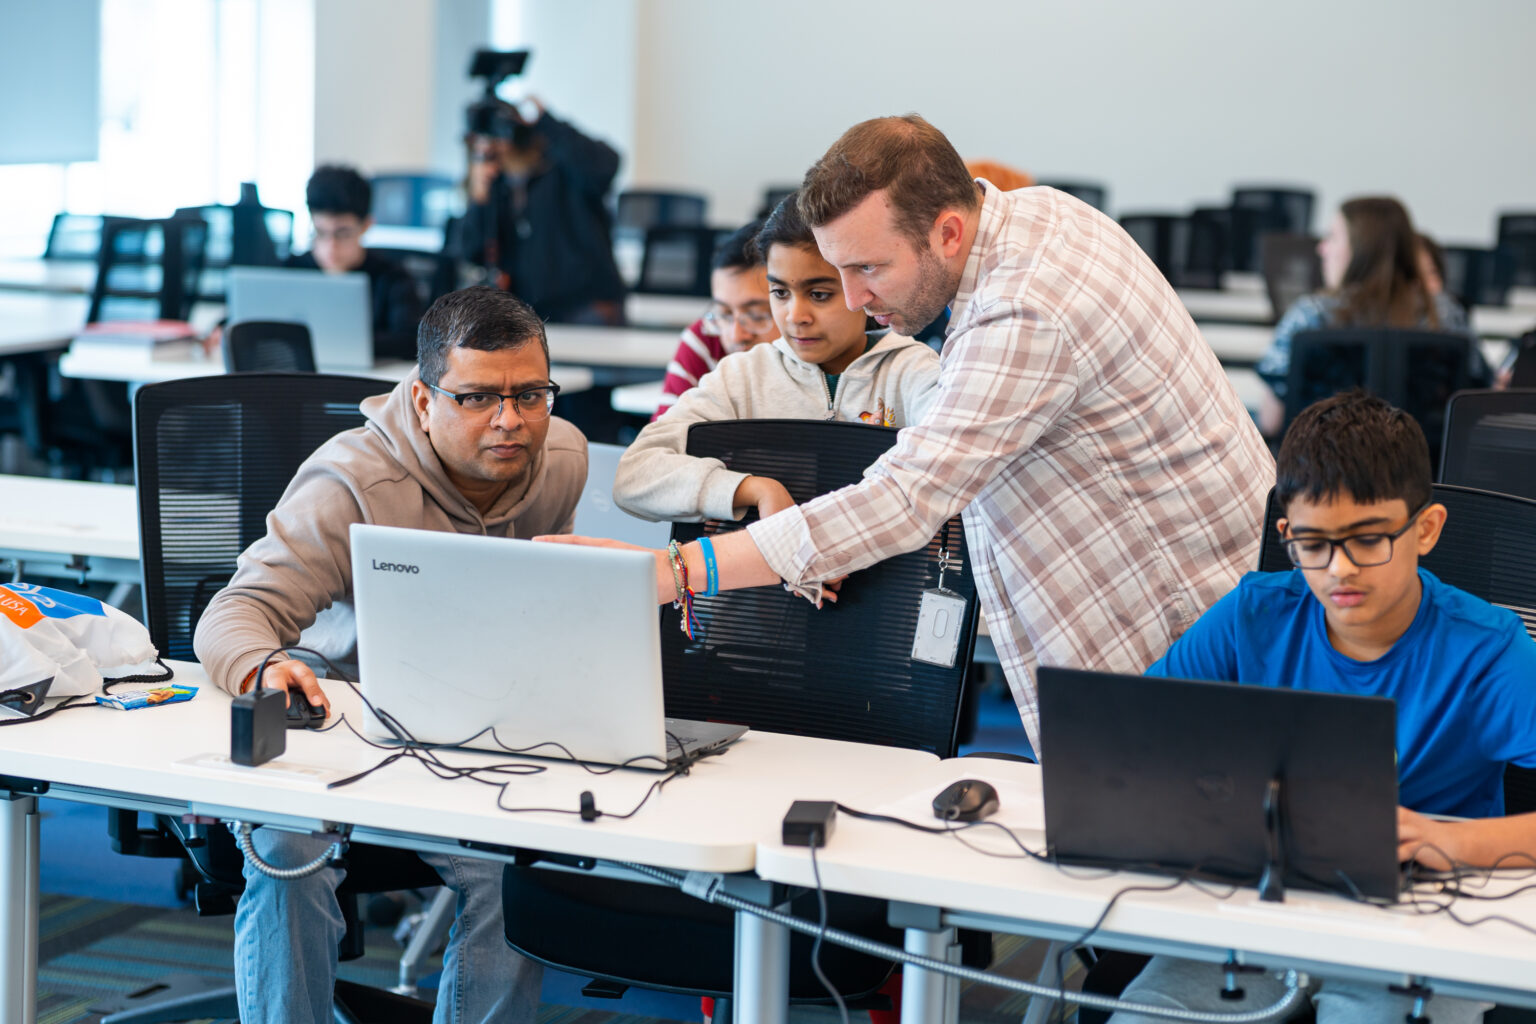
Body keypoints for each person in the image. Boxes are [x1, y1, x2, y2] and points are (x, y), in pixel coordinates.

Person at [548, 114, 1274, 751]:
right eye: (839, 269)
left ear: (948, 231)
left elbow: (902, 500)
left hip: (1178, 625)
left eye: (868, 268)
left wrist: (674, 573)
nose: (855, 297)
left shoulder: (1022, 311)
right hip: (1187, 600)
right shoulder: (1041, 214)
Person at [193, 286, 586, 1024]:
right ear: (424, 400)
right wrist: (263, 666)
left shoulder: (561, 455)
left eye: (530, 395)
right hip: (341, 724)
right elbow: (233, 615)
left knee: (519, 869)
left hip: (470, 728)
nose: (510, 420)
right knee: (288, 854)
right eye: (478, 398)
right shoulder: (352, 482)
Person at [1106, 390, 1536, 1024]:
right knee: (1150, 1013)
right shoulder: (1254, 614)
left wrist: (1447, 839)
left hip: (1422, 919)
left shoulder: (1487, 649)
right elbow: (1131, 740)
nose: (1340, 570)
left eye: (1369, 540)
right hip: (1261, 904)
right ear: (1287, 534)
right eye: (1313, 544)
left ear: (1426, 529)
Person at [616, 191, 939, 522]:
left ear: (863, 286)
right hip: (753, 558)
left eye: (819, 294)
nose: (795, 315)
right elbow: (634, 475)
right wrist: (752, 489)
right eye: (780, 292)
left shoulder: (914, 372)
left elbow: (947, 475)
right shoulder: (742, 376)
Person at [1254, 197, 1479, 436]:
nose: (1322, 248)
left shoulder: (1308, 316)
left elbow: (1271, 421)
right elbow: (1476, 401)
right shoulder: (1448, 314)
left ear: (1360, 249)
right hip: (1423, 459)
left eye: (1332, 237)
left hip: (1323, 459)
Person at [459, 96, 627, 325]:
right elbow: (473, 252)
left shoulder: (560, 164)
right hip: (530, 310)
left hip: (587, 305)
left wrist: (547, 121)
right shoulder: (495, 185)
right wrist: (479, 198)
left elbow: (605, 167)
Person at [285, 164, 425, 360]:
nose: (330, 247)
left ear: (366, 226)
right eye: (320, 232)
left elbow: (410, 341)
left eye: (343, 233)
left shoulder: (393, 278)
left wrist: (329, 342)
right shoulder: (290, 270)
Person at [653, 220, 779, 420]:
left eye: (756, 315)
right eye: (724, 313)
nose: (736, 335)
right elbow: (664, 431)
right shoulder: (706, 336)